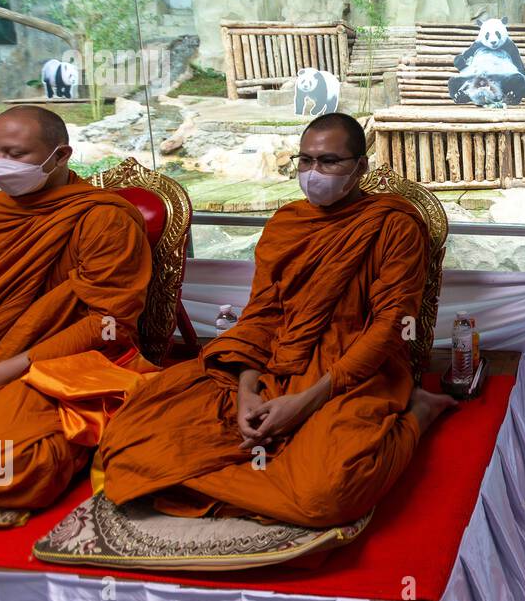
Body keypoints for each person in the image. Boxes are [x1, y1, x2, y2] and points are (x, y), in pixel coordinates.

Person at [100, 113, 455, 527]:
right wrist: (248, 392)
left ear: (360, 168)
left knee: (325, 496)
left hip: (353, 369)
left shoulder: (393, 226)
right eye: (305, 161)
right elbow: (262, 314)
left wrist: (305, 403)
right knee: (127, 443)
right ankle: (258, 483)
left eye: (329, 161)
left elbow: (390, 326)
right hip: (272, 361)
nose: (313, 173)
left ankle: (418, 413)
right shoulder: (287, 224)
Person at [0, 105, 152, 508]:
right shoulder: (0, 212)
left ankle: (76, 442)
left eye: (16, 154)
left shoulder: (104, 219)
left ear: (61, 156)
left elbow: (108, 324)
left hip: (74, 364)